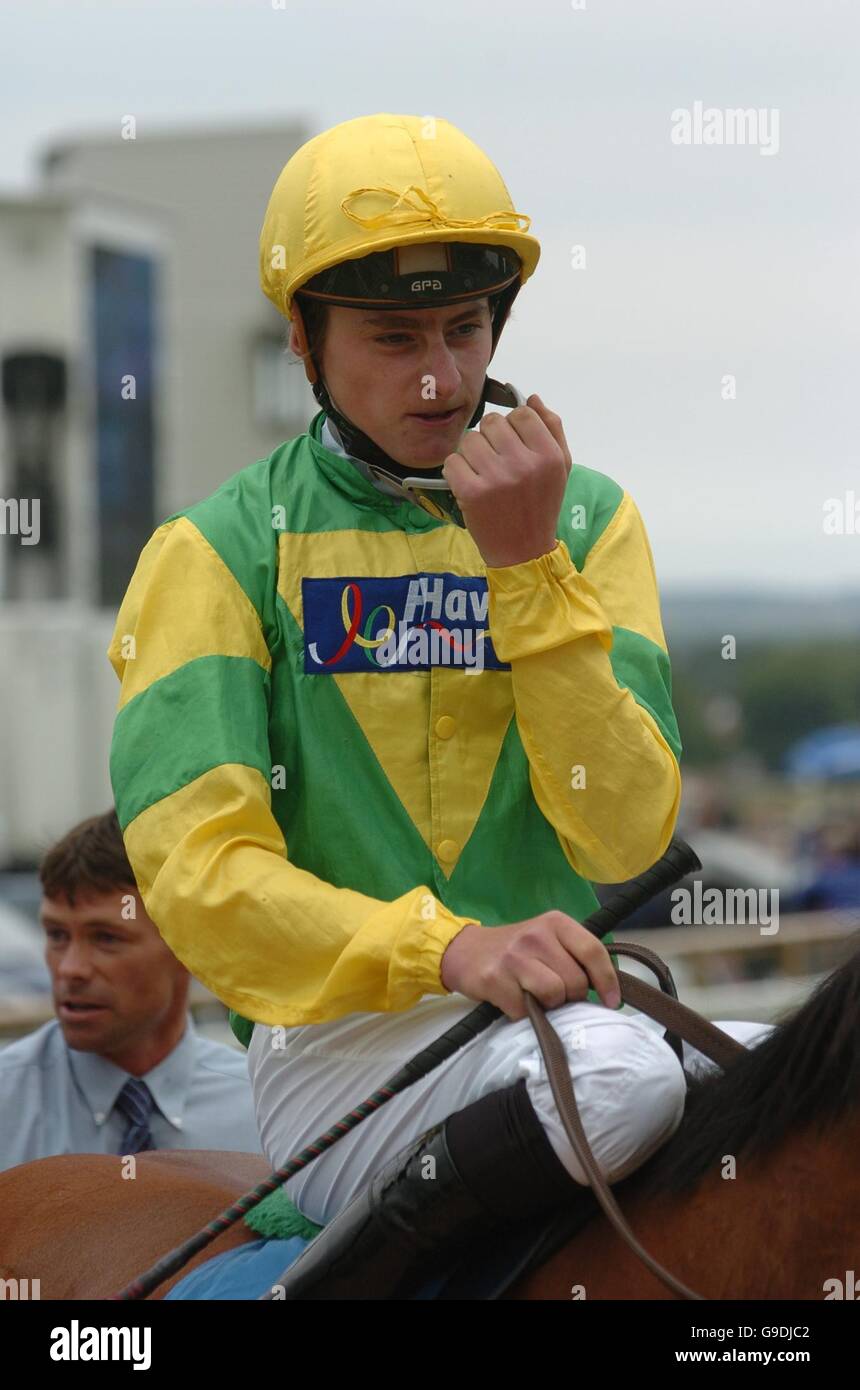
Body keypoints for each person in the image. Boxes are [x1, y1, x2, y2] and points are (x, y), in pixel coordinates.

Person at [106, 112, 770, 1298]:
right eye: (392, 336)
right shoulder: (210, 551)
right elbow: (200, 877)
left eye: (463, 328)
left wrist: (526, 569)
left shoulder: (588, 521)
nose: (440, 376)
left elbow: (621, 835)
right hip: (339, 1047)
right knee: (620, 1084)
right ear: (304, 343)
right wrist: (448, 947)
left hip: (574, 1011)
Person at [0, 810, 262, 1171]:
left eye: (106, 938)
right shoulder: (8, 1102)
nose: (70, 968)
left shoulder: (265, 1113)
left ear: (188, 947)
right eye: (57, 935)